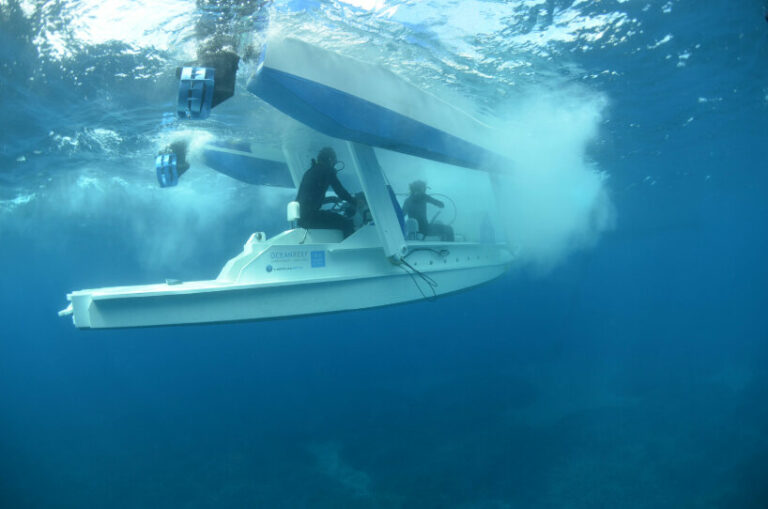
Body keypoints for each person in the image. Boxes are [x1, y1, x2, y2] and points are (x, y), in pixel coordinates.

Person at [296, 147, 356, 237]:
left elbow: (309, 199)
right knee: (346, 223)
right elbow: (340, 191)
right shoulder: (327, 170)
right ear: (330, 160)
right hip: (310, 218)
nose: (334, 164)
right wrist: (354, 202)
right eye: (334, 161)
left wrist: (331, 199)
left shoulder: (311, 171)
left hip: (303, 219)